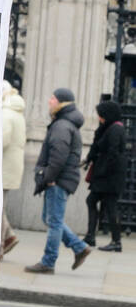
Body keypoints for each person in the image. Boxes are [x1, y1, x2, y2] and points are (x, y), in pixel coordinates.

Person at [25, 87, 91, 274]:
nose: (49, 101)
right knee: (49, 218)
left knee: (54, 222)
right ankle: (79, 247)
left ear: (62, 103)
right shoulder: (64, 123)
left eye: (53, 98)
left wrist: (49, 178)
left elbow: (58, 156)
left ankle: (48, 262)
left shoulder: (62, 125)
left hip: (58, 181)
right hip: (60, 179)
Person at [83, 99, 126, 252]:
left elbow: (113, 153)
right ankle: (91, 236)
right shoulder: (108, 127)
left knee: (110, 206)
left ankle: (116, 241)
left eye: (101, 115)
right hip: (105, 175)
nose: (99, 118)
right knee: (93, 201)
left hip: (109, 177)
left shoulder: (115, 129)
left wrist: (101, 172)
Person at [0, 80, 26, 258]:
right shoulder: (17, 113)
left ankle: (0, 246)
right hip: (11, 168)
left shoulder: (6, 113)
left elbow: (2, 140)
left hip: (3, 168)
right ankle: (8, 237)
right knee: (0, 207)